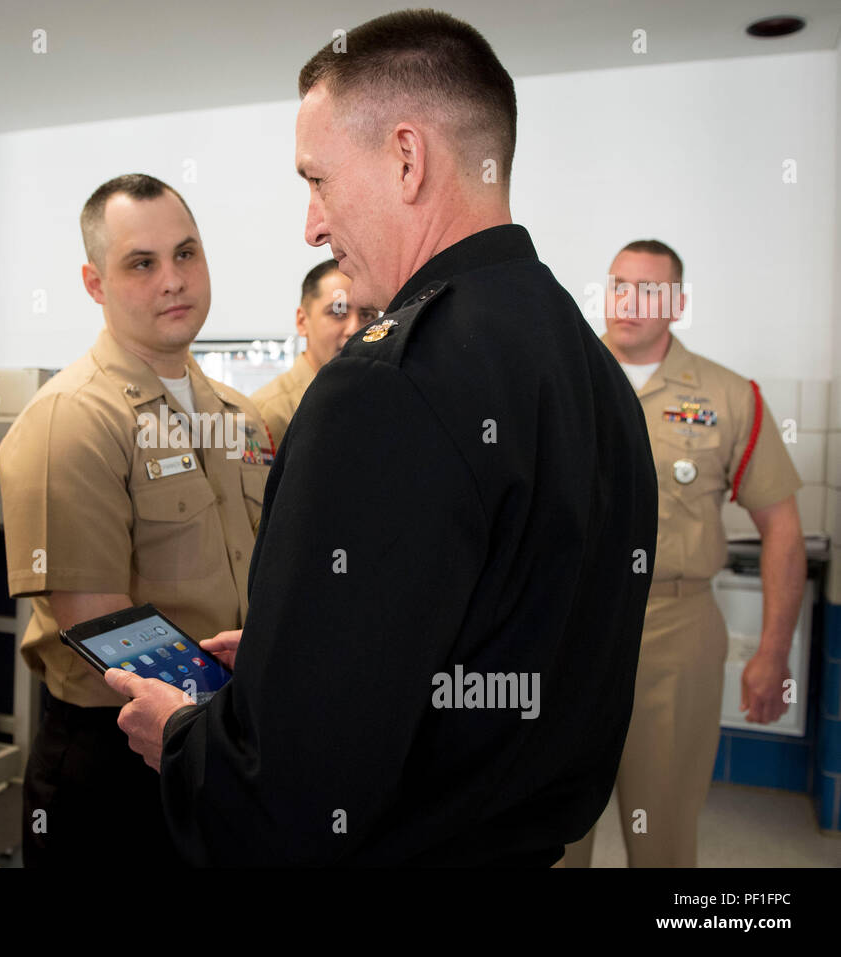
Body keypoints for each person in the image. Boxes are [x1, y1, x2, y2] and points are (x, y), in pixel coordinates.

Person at [106, 9, 657, 866]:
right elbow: (500, 627)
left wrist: (184, 737)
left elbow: (286, 799)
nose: (311, 225)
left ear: (408, 158)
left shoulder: (386, 383)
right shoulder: (592, 369)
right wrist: (305, 649)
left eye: (318, 180)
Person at [0, 173, 273, 867]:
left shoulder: (241, 418)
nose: (173, 280)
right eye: (142, 263)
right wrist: (236, 723)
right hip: (116, 760)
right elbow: (103, 623)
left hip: (215, 738)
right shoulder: (73, 420)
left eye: (187, 254)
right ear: (95, 282)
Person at [562, 240, 805, 868]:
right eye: (619, 285)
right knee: (550, 834)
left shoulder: (729, 397)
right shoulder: (558, 380)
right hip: (566, 629)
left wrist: (773, 653)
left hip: (673, 631)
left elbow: (781, 528)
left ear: (678, 305)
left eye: (649, 290)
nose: (629, 302)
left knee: (662, 839)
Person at [252, 259, 380, 443]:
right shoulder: (268, 414)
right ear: (302, 322)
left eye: (367, 315)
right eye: (337, 313)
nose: (354, 329)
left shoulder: (382, 400)